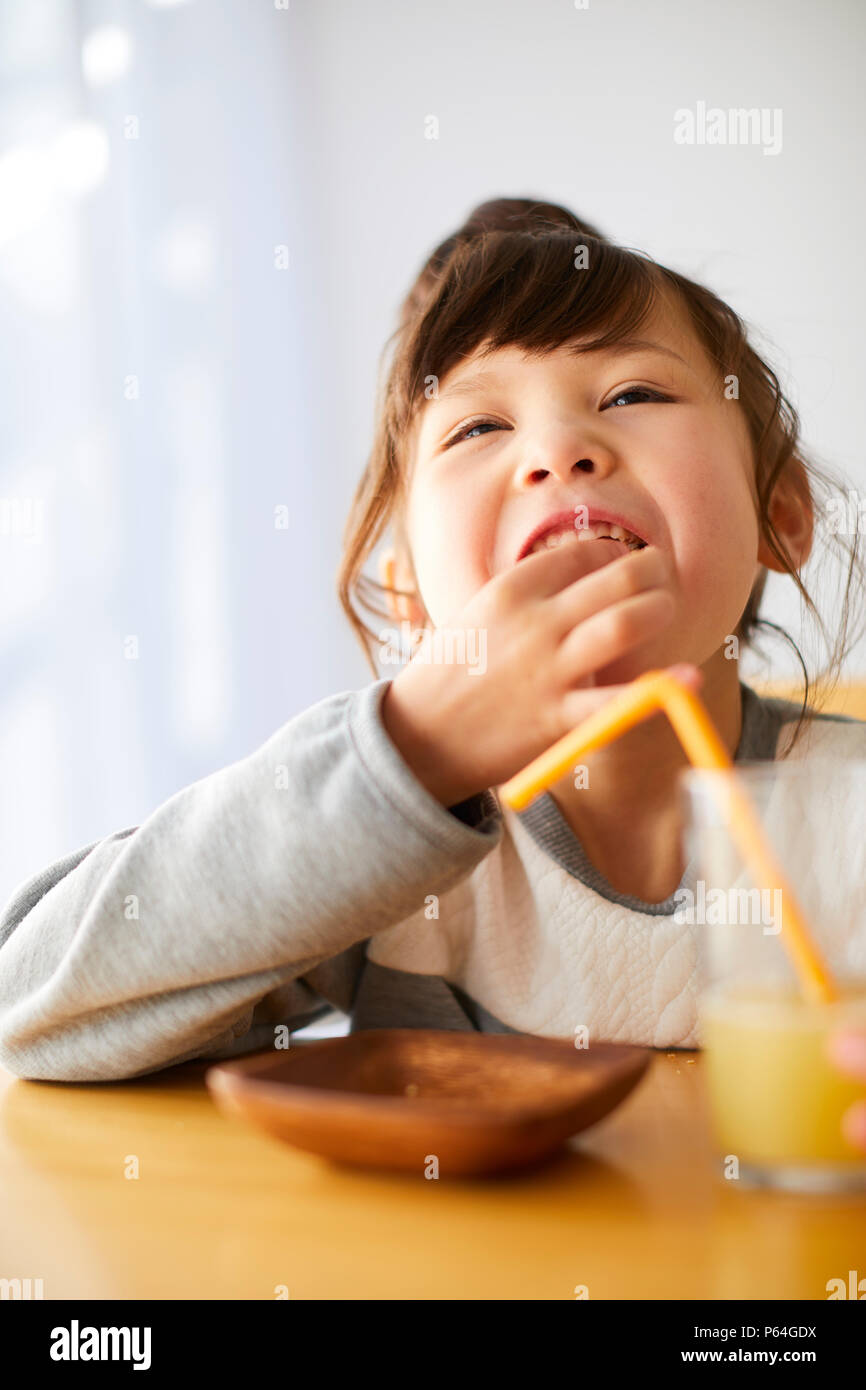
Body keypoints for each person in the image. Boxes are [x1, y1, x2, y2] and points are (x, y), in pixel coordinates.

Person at [1, 196, 865, 1084]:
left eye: (631, 393)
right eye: (479, 426)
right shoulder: (389, 850)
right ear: (409, 586)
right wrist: (414, 751)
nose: (561, 448)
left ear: (780, 512)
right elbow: (27, 1005)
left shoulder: (848, 818)